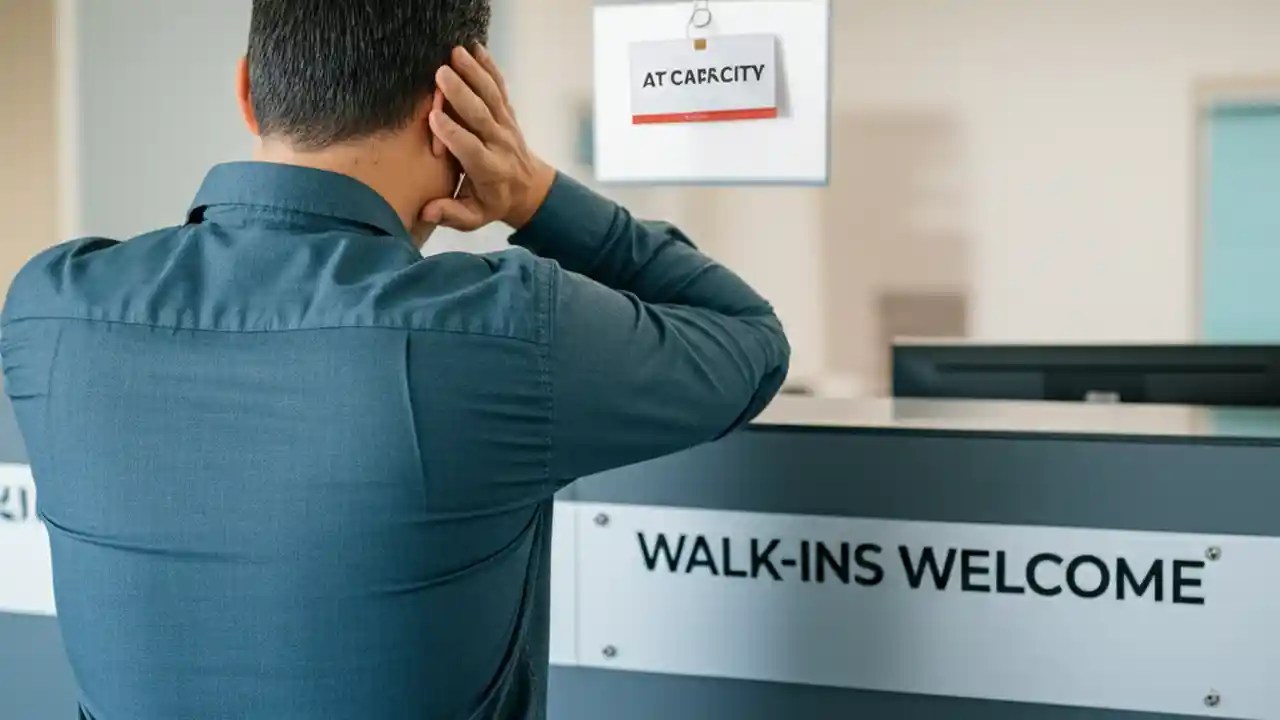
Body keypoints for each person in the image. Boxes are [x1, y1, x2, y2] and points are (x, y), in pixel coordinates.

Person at [0, 1, 790, 718]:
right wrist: (532, 194)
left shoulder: (49, 309)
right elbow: (749, 339)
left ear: (246, 93)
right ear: (450, 110)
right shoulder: (506, 332)